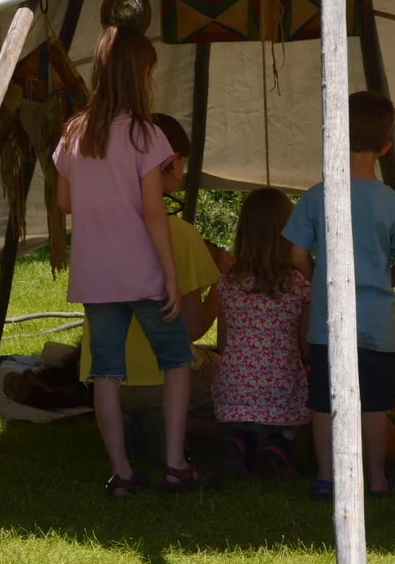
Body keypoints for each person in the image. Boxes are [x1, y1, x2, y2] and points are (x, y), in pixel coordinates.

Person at [53, 26, 218, 497]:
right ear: (141, 74)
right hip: (143, 275)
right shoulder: (147, 136)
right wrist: (169, 273)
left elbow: (65, 203)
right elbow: (153, 213)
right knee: (177, 362)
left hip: (95, 276)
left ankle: (121, 473)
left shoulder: (74, 134)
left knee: (105, 371)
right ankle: (174, 463)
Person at [283, 91, 395, 499]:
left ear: (336, 136)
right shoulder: (393, 202)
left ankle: (327, 477)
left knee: (324, 402)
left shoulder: (316, 195)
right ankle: (375, 478)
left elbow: (296, 254)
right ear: (386, 146)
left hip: (328, 321)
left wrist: (323, 281)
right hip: (376, 322)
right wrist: (382, 282)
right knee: (375, 404)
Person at [77, 113, 230, 463]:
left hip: (108, 387)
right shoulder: (180, 234)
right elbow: (191, 328)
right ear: (170, 162)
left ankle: (136, 434)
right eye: (181, 161)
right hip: (162, 383)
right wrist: (222, 282)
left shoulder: (99, 229)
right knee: (236, 379)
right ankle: (174, 429)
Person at [214, 187, 311, 478]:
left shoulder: (227, 284)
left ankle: (238, 442)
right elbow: (306, 349)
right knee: (317, 392)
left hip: (233, 393)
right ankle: (282, 443)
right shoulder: (300, 285)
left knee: (242, 408)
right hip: (282, 395)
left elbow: (222, 344)